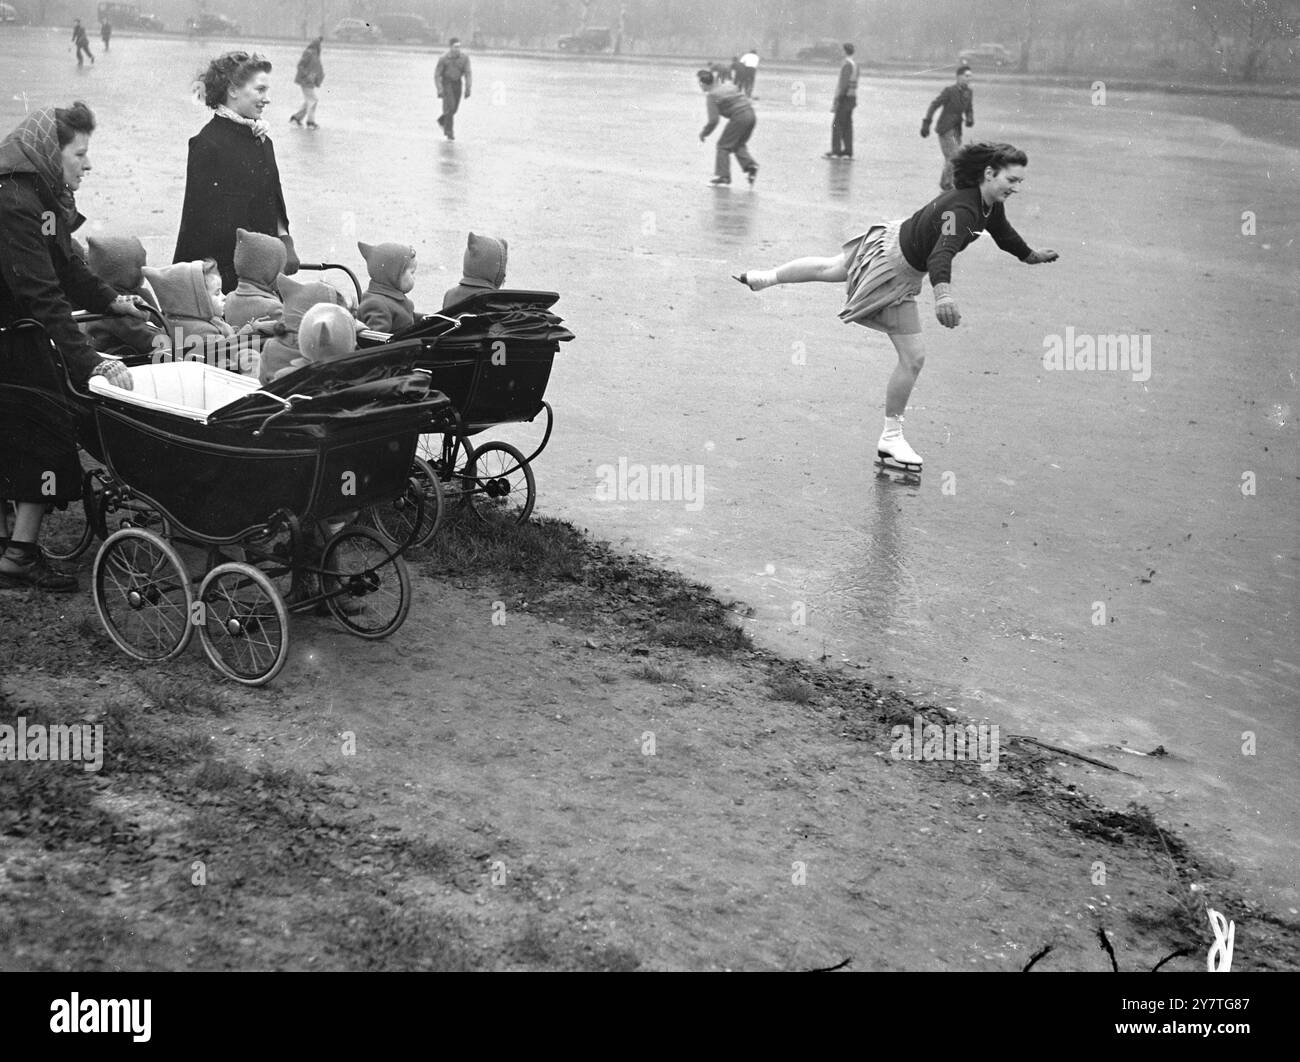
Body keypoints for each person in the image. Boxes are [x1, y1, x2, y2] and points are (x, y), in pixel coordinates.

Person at [733, 142, 1058, 475]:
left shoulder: (986, 204)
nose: (1016, 188)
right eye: (1012, 180)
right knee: (913, 357)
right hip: (894, 271)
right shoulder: (962, 210)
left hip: (889, 238)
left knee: (830, 268)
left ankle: (764, 277)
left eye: (1019, 182)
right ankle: (890, 439)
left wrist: (1029, 255)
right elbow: (940, 254)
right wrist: (943, 294)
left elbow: (1003, 234)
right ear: (989, 174)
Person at [0, 102, 144, 592]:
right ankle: (19, 556)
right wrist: (93, 360)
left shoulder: (37, 195)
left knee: (26, 432)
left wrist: (112, 302)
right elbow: (42, 297)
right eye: (79, 154)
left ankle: (12, 545)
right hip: (9, 336)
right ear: (50, 150)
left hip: (15, 330)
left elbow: (66, 269)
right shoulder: (16, 202)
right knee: (41, 427)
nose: (88, 164)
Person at [174, 51, 299, 294]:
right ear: (232, 90)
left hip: (265, 274)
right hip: (224, 282)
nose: (267, 99)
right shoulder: (207, 144)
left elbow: (272, 202)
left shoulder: (263, 141)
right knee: (244, 333)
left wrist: (286, 241)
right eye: (260, 90)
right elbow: (200, 227)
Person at [697, 69, 758, 187]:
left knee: (723, 146)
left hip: (739, 117)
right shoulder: (729, 86)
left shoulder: (712, 96)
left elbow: (713, 120)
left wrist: (704, 133)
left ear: (702, 84)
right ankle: (750, 166)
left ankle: (723, 177)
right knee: (737, 144)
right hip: (751, 115)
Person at [921, 65, 974, 191]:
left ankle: (946, 184)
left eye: (970, 77)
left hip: (957, 130)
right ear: (958, 77)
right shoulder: (950, 91)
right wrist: (927, 122)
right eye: (966, 76)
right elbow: (934, 105)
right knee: (954, 156)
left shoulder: (968, 92)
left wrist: (970, 118)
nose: (968, 79)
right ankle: (946, 185)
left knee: (953, 157)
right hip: (945, 128)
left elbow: (969, 108)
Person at [824, 42, 859, 160]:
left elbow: (843, 85)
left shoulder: (846, 65)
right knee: (847, 125)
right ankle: (848, 151)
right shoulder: (855, 65)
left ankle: (836, 151)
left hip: (844, 98)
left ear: (845, 52)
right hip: (852, 98)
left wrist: (838, 100)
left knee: (836, 125)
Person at [435, 38, 472, 141]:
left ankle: (442, 120)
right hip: (447, 83)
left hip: (457, 84)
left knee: (454, 109)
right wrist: (439, 89)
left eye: (459, 47)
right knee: (450, 107)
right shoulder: (443, 58)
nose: (458, 49)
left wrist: (468, 88)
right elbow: (437, 75)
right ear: (450, 47)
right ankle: (449, 133)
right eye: (455, 47)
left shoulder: (464, 58)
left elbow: (468, 73)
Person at [289, 37, 324, 129]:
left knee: (309, 101)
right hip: (305, 81)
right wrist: (307, 75)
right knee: (313, 100)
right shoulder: (309, 53)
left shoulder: (315, 54)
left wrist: (317, 79)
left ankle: (296, 118)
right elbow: (300, 65)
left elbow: (317, 69)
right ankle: (310, 122)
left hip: (310, 82)